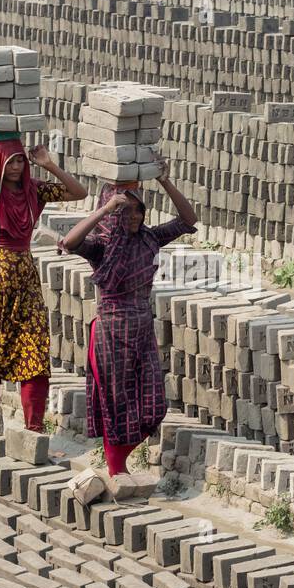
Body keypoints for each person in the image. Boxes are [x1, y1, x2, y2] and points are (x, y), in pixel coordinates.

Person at [60, 164, 197, 476]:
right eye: (126, 211)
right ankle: (116, 471)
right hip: (109, 334)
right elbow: (69, 242)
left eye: (138, 210)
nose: (134, 216)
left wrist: (165, 180)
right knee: (117, 405)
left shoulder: (149, 238)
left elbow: (188, 219)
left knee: (153, 407)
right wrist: (107, 207)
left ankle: (118, 466)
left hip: (141, 331)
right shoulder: (101, 246)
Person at [0, 114, 87, 430]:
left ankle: (34, 428)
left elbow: (78, 193)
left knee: (34, 351)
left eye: (19, 161)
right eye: (10, 162)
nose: (16, 168)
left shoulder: (34, 191)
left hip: (25, 278)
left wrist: (48, 164)